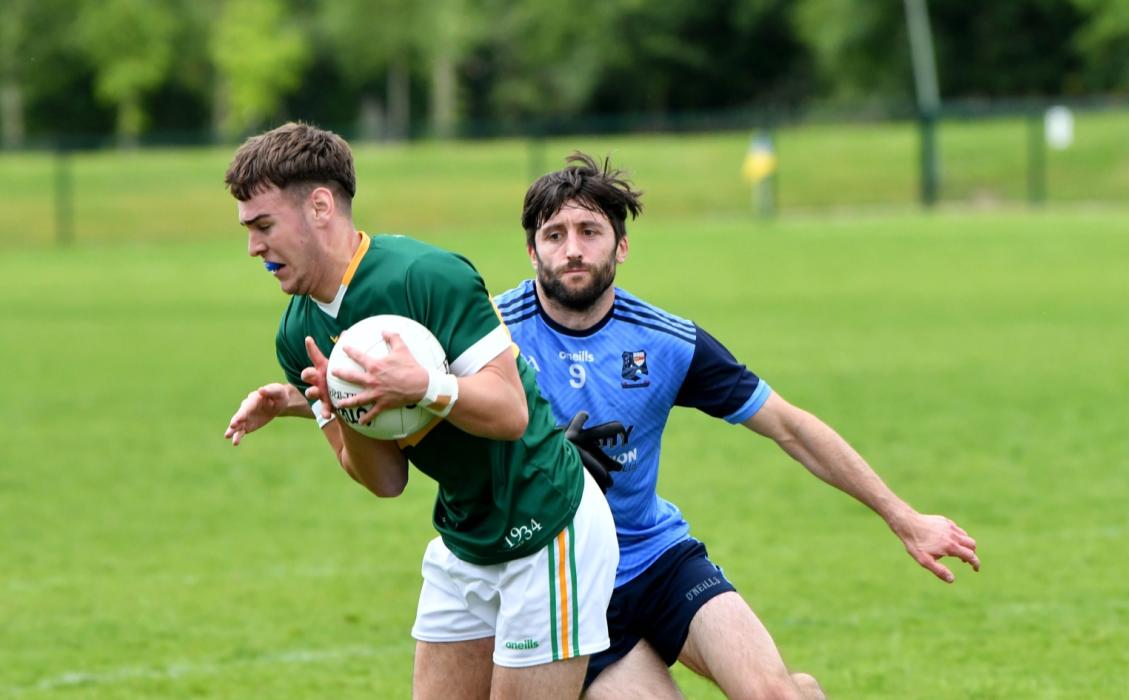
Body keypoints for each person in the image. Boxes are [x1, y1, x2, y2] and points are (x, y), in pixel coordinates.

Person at [229, 151, 982, 700]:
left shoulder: (667, 342)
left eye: (590, 232)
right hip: (562, 563)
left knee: (776, 695)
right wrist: (316, 401)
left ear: (621, 246)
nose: (572, 250)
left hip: (655, 557)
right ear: (531, 250)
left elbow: (789, 426)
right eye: (554, 234)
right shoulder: (491, 331)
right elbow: (412, 400)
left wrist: (903, 516)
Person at [222, 123, 618, 699]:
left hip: (548, 521)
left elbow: (510, 412)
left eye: (264, 226)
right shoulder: (297, 335)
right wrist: (340, 405)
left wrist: (424, 386)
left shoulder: (426, 277)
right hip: (465, 536)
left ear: (321, 207)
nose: (254, 248)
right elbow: (385, 480)